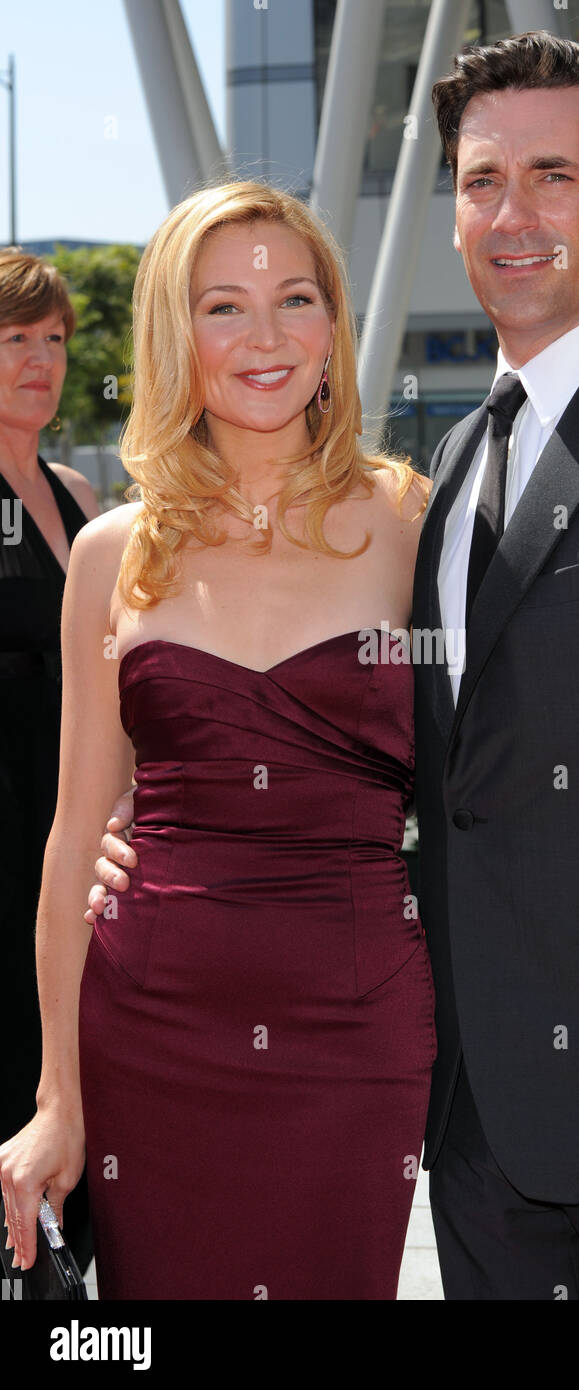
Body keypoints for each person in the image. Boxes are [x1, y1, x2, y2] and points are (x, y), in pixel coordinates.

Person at [81, 33, 579, 1302]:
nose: (511, 216)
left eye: (553, 176)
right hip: (473, 1139)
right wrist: (133, 824)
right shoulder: (454, 473)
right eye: (481, 181)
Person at [0, 180, 435, 1300]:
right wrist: (59, 1095)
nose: (264, 334)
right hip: (150, 1028)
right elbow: (69, 837)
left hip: (358, 1025)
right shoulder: (109, 550)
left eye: (294, 298)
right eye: (222, 306)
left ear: (333, 326)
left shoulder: (410, 521)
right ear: (172, 335)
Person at [0, 249, 98, 1273]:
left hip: (77, 849)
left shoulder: (77, 494)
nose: (41, 359)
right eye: (16, 338)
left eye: (55, 340)